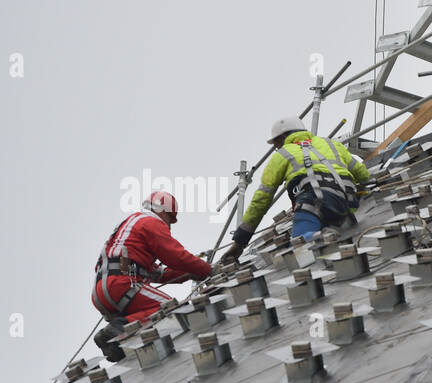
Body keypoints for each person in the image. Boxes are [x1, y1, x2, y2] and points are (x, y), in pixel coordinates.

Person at [223, 116, 370, 261]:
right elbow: (363, 174)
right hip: (348, 202)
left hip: (314, 203)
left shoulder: (282, 154)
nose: (276, 147)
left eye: (276, 143)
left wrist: (240, 241)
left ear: (284, 136)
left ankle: (320, 238)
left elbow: (261, 200)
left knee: (300, 244)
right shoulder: (331, 144)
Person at [91, 191, 213, 361]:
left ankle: (118, 343)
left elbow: (158, 273)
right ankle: (120, 328)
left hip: (103, 292)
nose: (169, 225)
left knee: (147, 318)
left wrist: (190, 272)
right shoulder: (151, 222)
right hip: (122, 285)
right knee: (170, 309)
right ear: (163, 212)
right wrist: (207, 270)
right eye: (170, 219)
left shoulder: (130, 225)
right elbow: (175, 256)